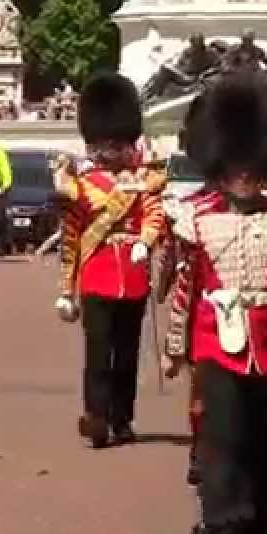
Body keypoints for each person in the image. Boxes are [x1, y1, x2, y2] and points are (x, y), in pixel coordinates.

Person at [162, 70, 267, 534]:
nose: (244, 176)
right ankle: (222, 523)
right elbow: (185, 286)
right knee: (222, 435)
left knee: (266, 438)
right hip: (216, 339)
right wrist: (175, 346)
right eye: (235, 167)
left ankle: (259, 517)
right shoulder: (195, 218)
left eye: (251, 166)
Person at [53, 73, 167, 449]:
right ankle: (97, 416)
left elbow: (154, 215)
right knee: (98, 353)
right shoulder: (81, 186)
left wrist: (145, 242)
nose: (110, 152)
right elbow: (72, 240)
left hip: (132, 276)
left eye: (116, 145)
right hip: (96, 277)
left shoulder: (142, 181)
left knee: (127, 355)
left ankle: (123, 418)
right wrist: (66, 290)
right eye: (103, 145)